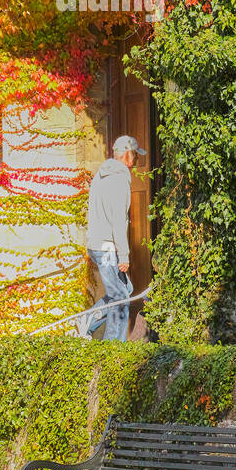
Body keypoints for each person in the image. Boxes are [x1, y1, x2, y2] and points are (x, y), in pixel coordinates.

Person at [85, 134, 146, 342]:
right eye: (135, 156)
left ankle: (86, 320)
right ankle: (112, 349)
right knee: (120, 299)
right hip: (108, 247)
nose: (136, 161)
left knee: (124, 290)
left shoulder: (101, 175)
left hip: (97, 244)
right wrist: (124, 255)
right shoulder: (119, 179)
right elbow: (118, 220)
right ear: (127, 156)